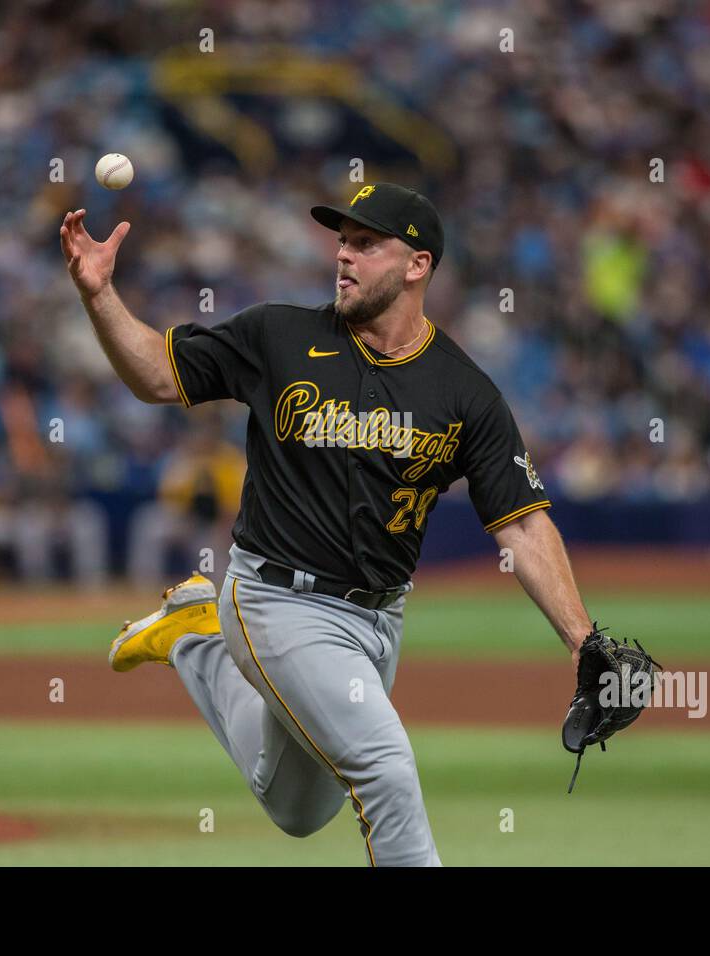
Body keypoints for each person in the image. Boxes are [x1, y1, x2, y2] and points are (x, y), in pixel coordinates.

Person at [61, 182, 597, 867]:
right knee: (385, 769)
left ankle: (194, 638)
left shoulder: (465, 392)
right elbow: (160, 376)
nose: (344, 255)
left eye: (367, 244)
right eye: (343, 240)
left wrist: (581, 639)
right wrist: (99, 295)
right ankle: (215, 619)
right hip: (274, 597)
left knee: (296, 808)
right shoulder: (278, 336)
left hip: (378, 620)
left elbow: (522, 525)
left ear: (417, 265)